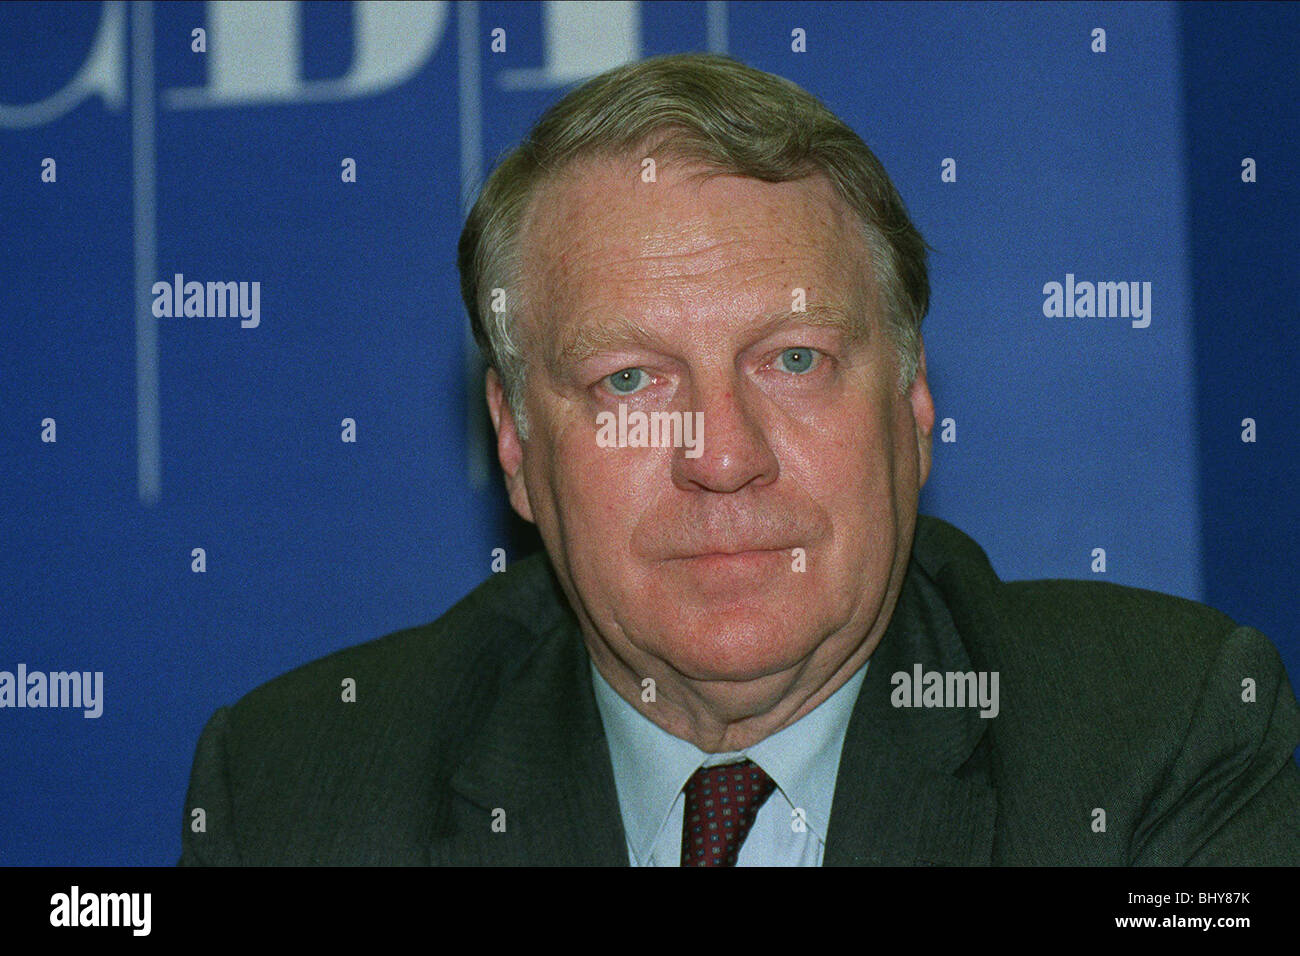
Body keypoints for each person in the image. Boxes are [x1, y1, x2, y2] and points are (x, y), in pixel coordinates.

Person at [179, 53, 1300, 866]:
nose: (721, 456)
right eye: (628, 379)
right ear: (517, 447)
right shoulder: (297, 792)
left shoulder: (1155, 737)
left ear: (911, 407)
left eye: (795, 358)